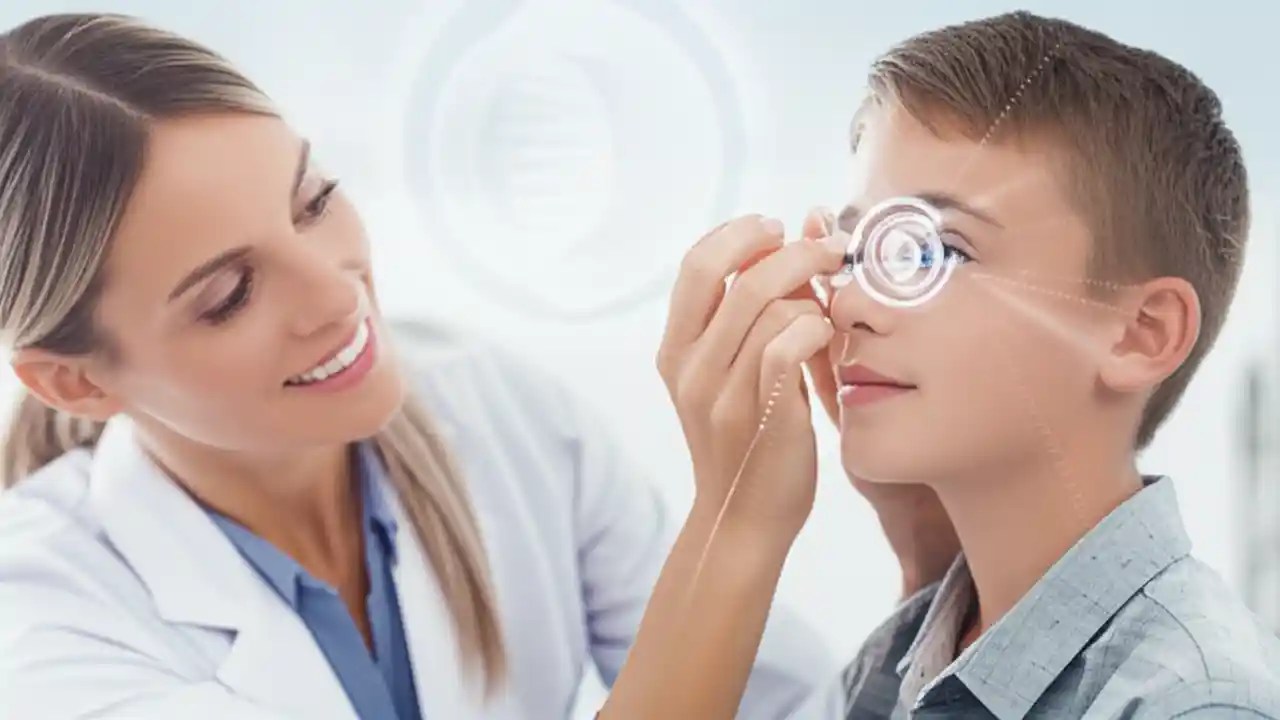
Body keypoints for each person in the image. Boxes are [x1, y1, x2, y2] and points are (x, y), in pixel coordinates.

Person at [0, 12, 844, 720]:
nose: (337, 296)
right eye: (228, 294)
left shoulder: (498, 410)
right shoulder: (44, 625)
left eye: (314, 201)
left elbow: (796, 705)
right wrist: (736, 523)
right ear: (78, 381)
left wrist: (919, 546)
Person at [611, 9, 1280, 720]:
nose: (850, 306)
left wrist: (738, 519)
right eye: (860, 247)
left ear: (1138, 334)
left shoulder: (1194, 703)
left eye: (939, 251)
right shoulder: (907, 656)